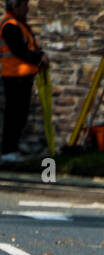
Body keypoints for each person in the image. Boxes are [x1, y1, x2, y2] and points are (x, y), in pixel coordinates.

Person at [0, 0, 46, 162]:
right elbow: (20, 51)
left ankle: (13, 148)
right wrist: (39, 58)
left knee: (20, 114)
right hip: (14, 76)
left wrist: (38, 56)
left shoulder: (19, 24)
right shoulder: (10, 25)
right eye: (24, 5)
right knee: (14, 114)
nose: (27, 9)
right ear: (15, 6)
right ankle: (8, 150)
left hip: (22, 76)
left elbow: (29, 47)